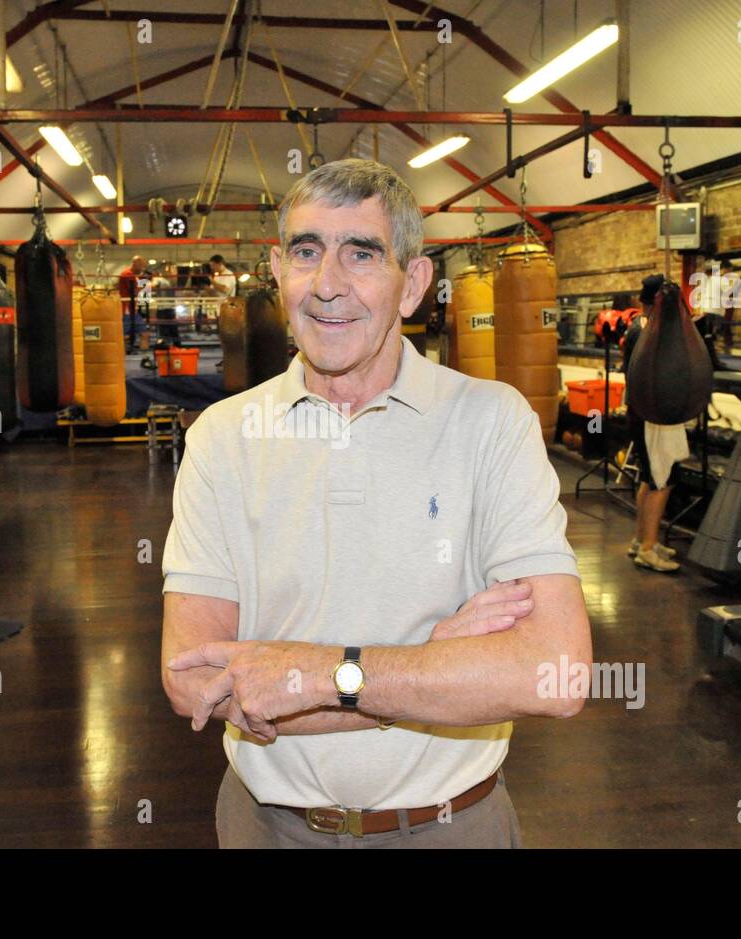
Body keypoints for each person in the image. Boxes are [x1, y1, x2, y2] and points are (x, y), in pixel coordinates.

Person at [161, 158, 591, 848]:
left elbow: (556, 673)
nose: (328, 285)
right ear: (277, 270)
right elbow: (194, 682)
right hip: (267, 827)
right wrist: (431, 667)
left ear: (413, 283)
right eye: (307, 252)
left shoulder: (491, 421)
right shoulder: (221, 437)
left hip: (452, 825)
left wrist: (317, 675)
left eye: (362, 254)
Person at [623, 274, 680, 573]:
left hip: (644, 412)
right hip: (654, 414)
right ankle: (647, 548)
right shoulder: (648, 333)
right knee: (661, 479)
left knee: (649, 477)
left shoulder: (640, 329)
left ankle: (642, 539)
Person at [118, 255, 148, 351]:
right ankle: (121, 356)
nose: (141, 269)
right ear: (136, 264)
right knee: (125, 336)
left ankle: (145, 356)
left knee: (144, 334)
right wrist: (144, 284)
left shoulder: (134, 276)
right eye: (141, 266)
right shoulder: (127, 274)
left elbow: (138, 291)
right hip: (127, 310)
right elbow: (134, 291)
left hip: (132, 309)